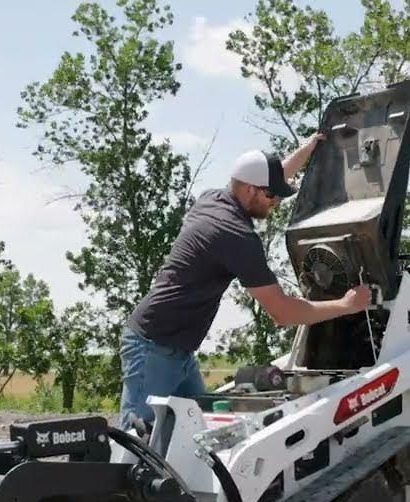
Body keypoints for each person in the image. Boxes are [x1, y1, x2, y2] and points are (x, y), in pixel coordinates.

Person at [118, 133, 372, 431]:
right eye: (271, 195)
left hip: (177, 351)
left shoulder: (212, 199)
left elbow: (269, 176)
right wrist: (346, 305)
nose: (276, 202)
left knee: (197, 438)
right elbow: (283, 312)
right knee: (136, 443)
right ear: (251, 190)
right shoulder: (235, 234)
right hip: (153, 350)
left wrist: (306, 151)